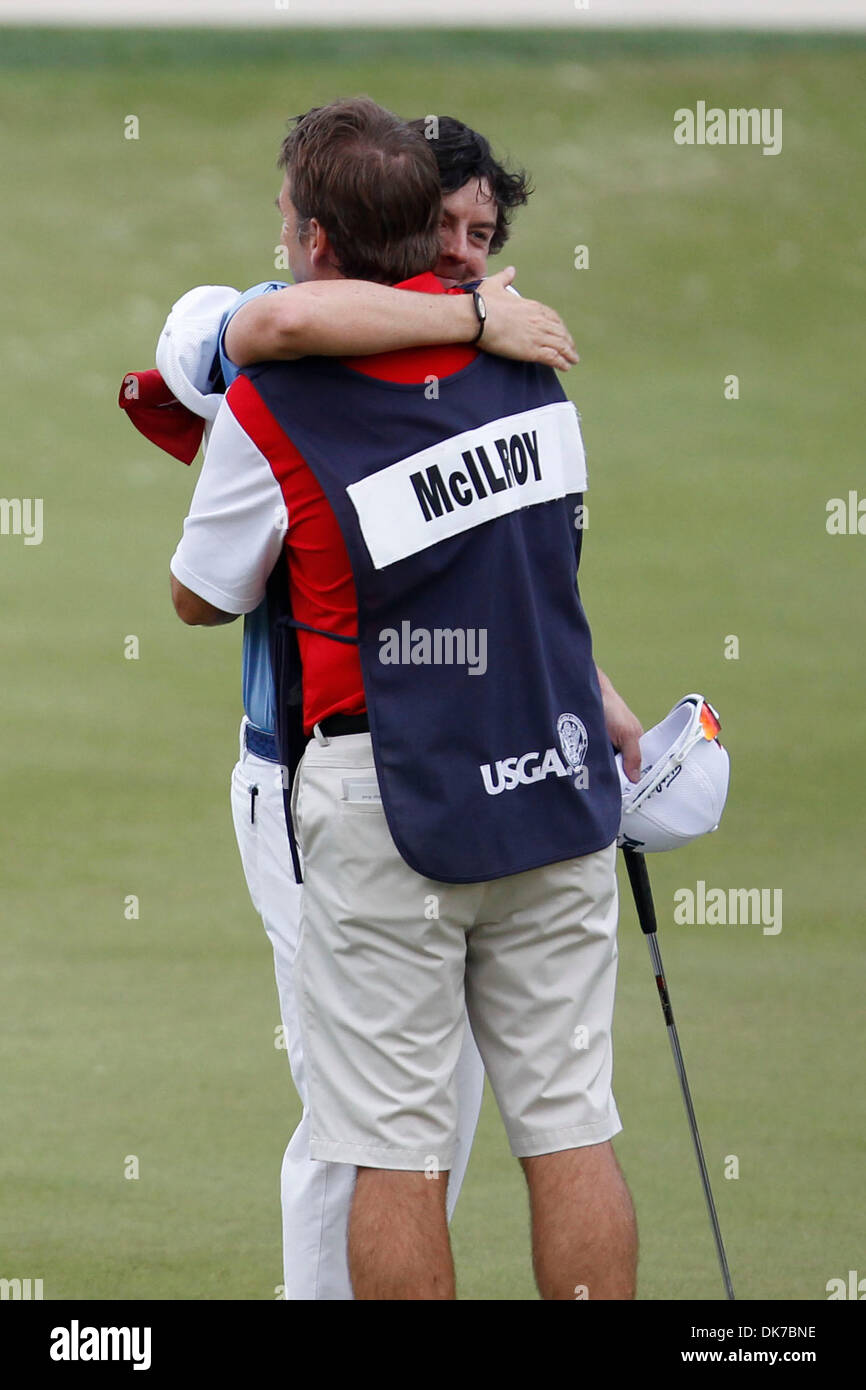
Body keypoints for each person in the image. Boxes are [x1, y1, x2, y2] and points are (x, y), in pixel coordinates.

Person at [169, 97, 639, 1300]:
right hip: (549, 781)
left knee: (387, 1149)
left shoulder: (273, 400)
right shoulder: (534, 372)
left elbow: (198, 595)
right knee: (572, 1130)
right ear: (430, 237)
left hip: (377, 801)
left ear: (319, 239)